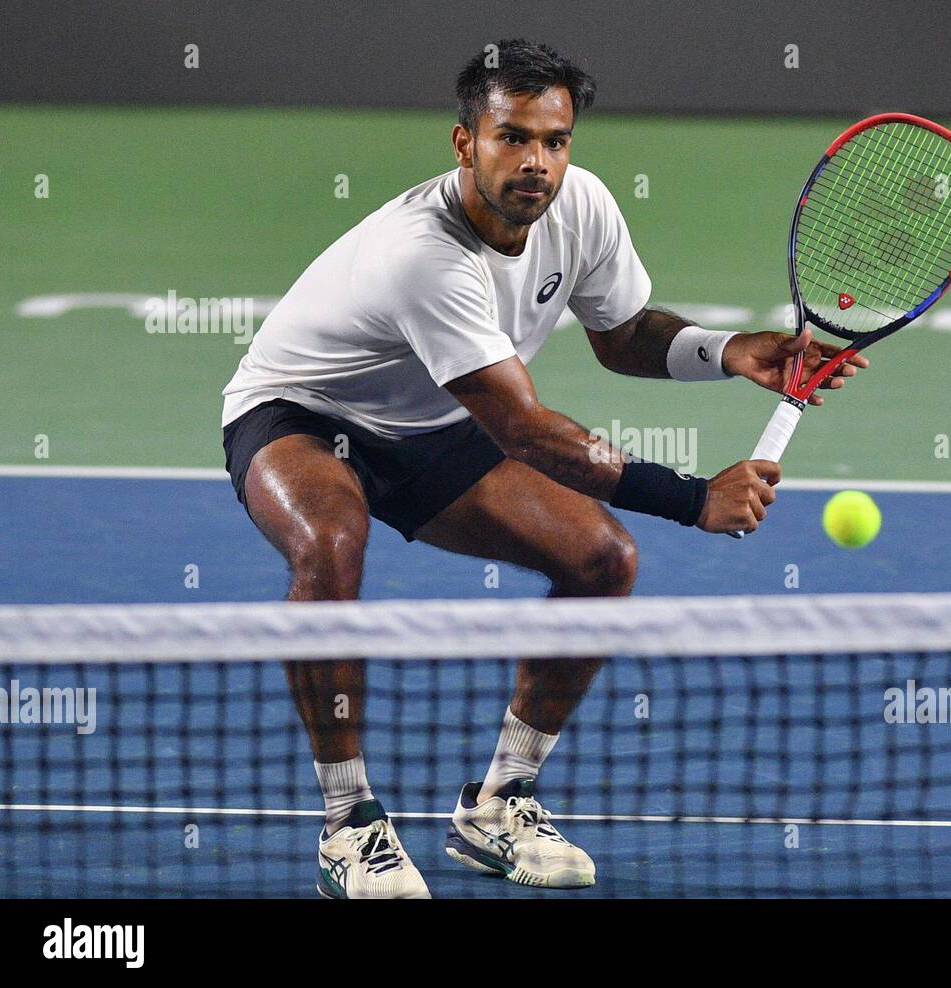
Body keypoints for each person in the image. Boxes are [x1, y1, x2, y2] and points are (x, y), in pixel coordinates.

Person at [221, 38, 865, 898]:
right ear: (465, 144)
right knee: (331, 545)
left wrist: (733, 350)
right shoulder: (424, 252)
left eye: (554, 141)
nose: (536, 162)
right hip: (304, 412)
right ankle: (350, 824)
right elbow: (525, 430)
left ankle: (500, 803)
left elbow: (626, 335)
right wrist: (691, 497)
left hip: (438, 420)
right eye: (512, 137)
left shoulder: (581, 208)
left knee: (602, 560)